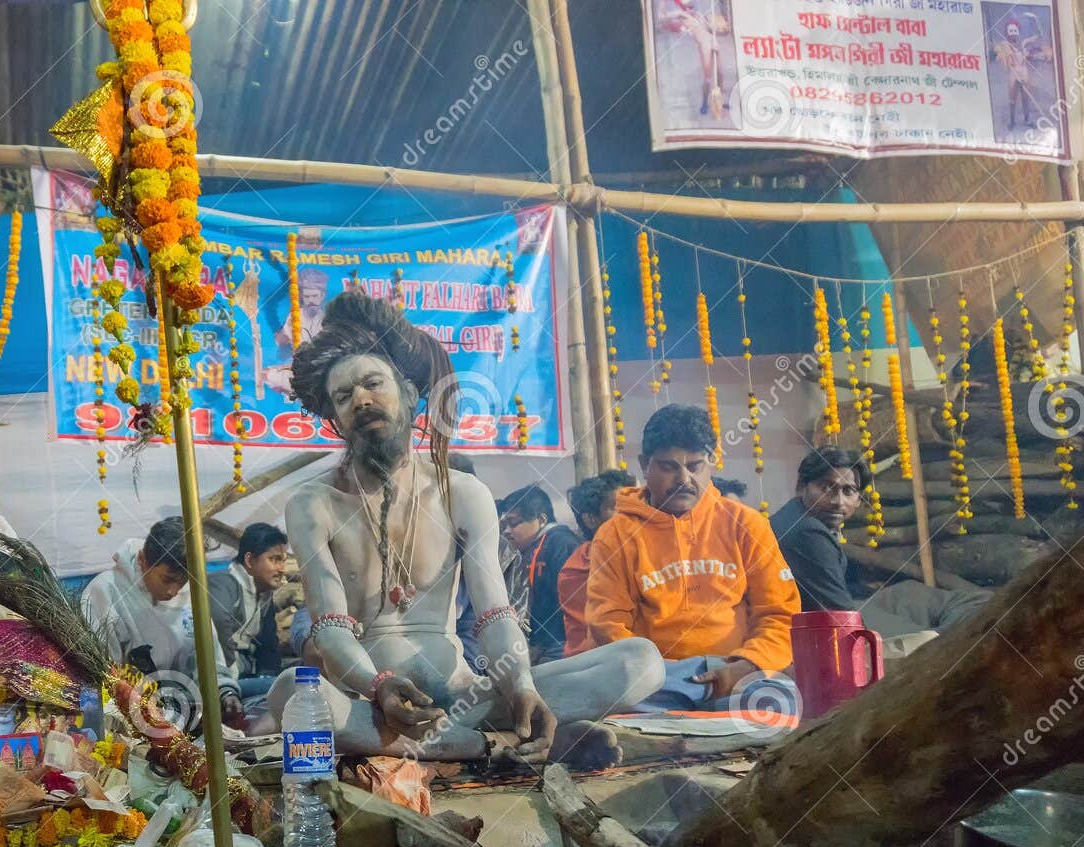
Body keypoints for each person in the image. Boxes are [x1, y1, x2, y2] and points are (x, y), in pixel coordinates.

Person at [271, 291, 662, 770]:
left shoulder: (463, 492)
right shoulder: (312, 504)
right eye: (344, 397)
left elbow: (495, 612)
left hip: (466, 697)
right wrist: (378, 686)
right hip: (373, 705)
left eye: (373, 383)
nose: (362, 401)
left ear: (410, 392)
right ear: (334, 418)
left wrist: (520, 684)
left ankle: (487, 730)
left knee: (640, 660)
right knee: (290, 693)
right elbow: (329, 631)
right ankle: (489, 747)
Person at [586, 405, 798, 710]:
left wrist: (747, 664)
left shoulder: (747, 524)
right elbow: (608, 625)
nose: (684, 478)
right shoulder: (615, 535)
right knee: (612, 695)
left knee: (786, 701)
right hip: (657, 680)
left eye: (695, 465)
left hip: (735, 672)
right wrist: (657, 676)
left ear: (711, 461)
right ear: (645, 465)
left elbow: (779, 614)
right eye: (669, 466)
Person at [772, 448, 989, 654]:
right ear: (802, 486)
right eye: (826, 488)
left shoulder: (792, 516)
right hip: (832, 635)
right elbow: (841, 618)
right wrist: (874, 649)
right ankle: (944, 645)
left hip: (842, 614)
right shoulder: (808, 532)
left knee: (919, 594)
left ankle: (945, 636)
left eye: (848, 491)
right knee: (977, 604)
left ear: (859, 499)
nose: (838, 502)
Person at [81, 516, 241, 729]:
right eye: (167, 579)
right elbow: (99, 679)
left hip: (185, 711)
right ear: (142, 560)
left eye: (182, 581)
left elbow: (208, 660)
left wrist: (224, 692)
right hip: (128, 719)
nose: (173, 591)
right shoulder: (105, 593)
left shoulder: (190, 595)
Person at [448, 454, 527, 670]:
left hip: (482, 633)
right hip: (435, 636)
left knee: (471, 674)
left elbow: (514, 609)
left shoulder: (503, 549)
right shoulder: (426, 539)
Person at [497, 484, 580, 665]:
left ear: (541, 519)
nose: (507, 531)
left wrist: (542, 645)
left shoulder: (562, 544)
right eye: (505, 525)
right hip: (542, 645)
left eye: (514, 523)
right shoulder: (530, 547)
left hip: (561, 645)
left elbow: (567, 602)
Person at [206, 522, 290, 700]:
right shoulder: (223, 583)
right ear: (249, 560)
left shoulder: (264, 594)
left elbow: (269, 646)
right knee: (298, 684)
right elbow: (219, 622)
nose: (282, 569)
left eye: (283, 560)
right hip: (222, 682)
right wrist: (229, 679)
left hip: (246, 677)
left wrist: (267, 675)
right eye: (274, 559)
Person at [558, 469, 635, 657]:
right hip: (600, 666)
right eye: (618, 507)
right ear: (591, 519)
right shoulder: (578, 568)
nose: (633, 514)